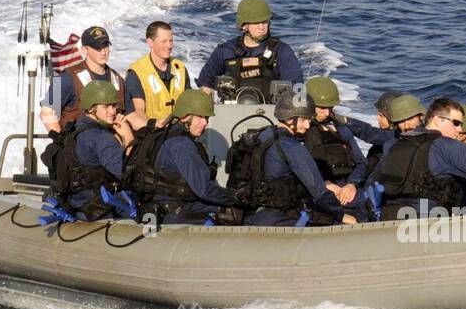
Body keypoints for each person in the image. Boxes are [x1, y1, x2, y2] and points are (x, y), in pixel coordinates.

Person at [237, 92, 353, 227]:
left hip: (254, 213)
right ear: (290, 120)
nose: (308, 126)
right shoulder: (293, 147)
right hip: (282, 217)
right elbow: (319, 192)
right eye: (305, 120)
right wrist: (341, 215)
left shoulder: (263, 135)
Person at [129, 89, 241, 224]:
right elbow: (204, 190)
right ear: (184, 117)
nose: (205, 122)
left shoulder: (165, 135)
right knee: (235, 212)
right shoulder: (182, 144)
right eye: (200, 117)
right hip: (175, 213)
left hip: (158, 209)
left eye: (206, 118)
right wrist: (236, 197)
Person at [45, 80, 134, 219]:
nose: (113, 111)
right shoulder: (101, 138)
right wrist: (128, 138)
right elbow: (130, 176)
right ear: (92, 108)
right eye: (106, 106)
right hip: (102, 210)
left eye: (114, 105)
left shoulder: (76, 127)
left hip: (78, 205)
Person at [196, 0, 304, 103]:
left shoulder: (281, 51)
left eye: (265, 22)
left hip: (271, 114)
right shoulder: (226, 51)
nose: (262, 27)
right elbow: (205, 82)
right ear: (244, 26)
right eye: (256, 23)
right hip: (231, 114)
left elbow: (297, 87)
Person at [39, 25, 126, 133]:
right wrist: (60, 142)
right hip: (77, 145)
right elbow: (46, 112)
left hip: (110, 145)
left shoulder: (119, 80)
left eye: (105, 46)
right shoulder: (64, 78)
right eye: (97, 48)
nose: (103, 52)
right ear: (84, 50)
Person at [303, 76, 368, 199]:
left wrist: (352, 184)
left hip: (346, 189)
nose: (327, 113)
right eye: (322, 108)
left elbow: (361, 162)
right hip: (317, 191)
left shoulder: (340, 129)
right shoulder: (300, 131)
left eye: (330, 108)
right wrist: (325, 184)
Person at [125, 21, 191, 128]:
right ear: (150, 42)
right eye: (164, 41)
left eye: (171, 41)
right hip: (152, 133)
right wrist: (155, 125)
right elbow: (138, 111)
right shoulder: (137, 73)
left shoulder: (180, 68)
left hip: (180, 129)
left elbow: (189, 102)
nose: (169, 46)